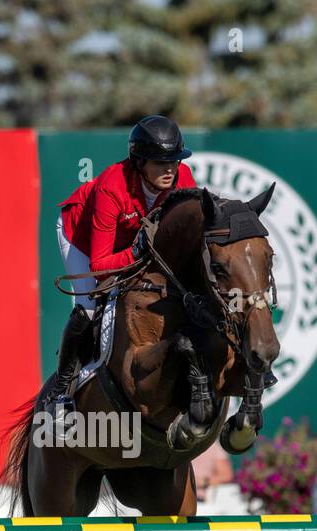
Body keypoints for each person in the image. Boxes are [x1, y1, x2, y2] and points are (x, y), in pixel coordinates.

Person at [48, 115, 199, 411]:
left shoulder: (184, 179)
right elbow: (101, 266)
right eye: (159, 162)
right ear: (139, 162)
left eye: (174, 160)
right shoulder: (111, 186)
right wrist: (140, 250)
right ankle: (60, 393)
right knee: (89, 308)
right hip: (80, 235)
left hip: (131, 240)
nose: (170, 169)